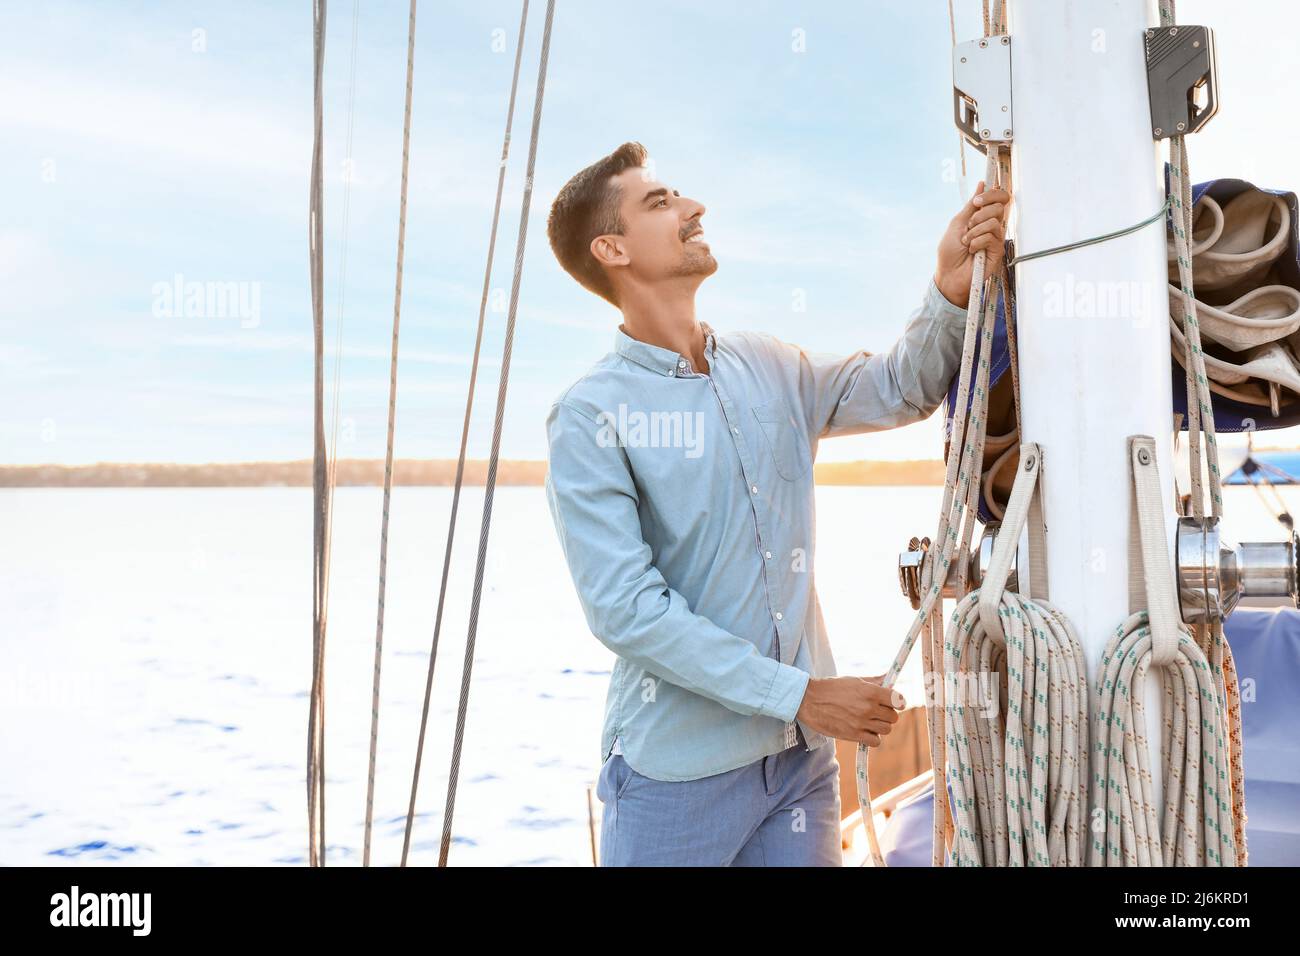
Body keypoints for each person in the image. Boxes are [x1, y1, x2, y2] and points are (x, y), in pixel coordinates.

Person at [542, 142, 1010, 866]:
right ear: (612, 248)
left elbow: (899, 387)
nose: (693, 208)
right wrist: (800, 695)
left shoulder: (769, 364)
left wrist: (948, 289)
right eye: (660, 202)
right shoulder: (589, 415)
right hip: (676, 784)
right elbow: (626, 610)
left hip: (798, 771)